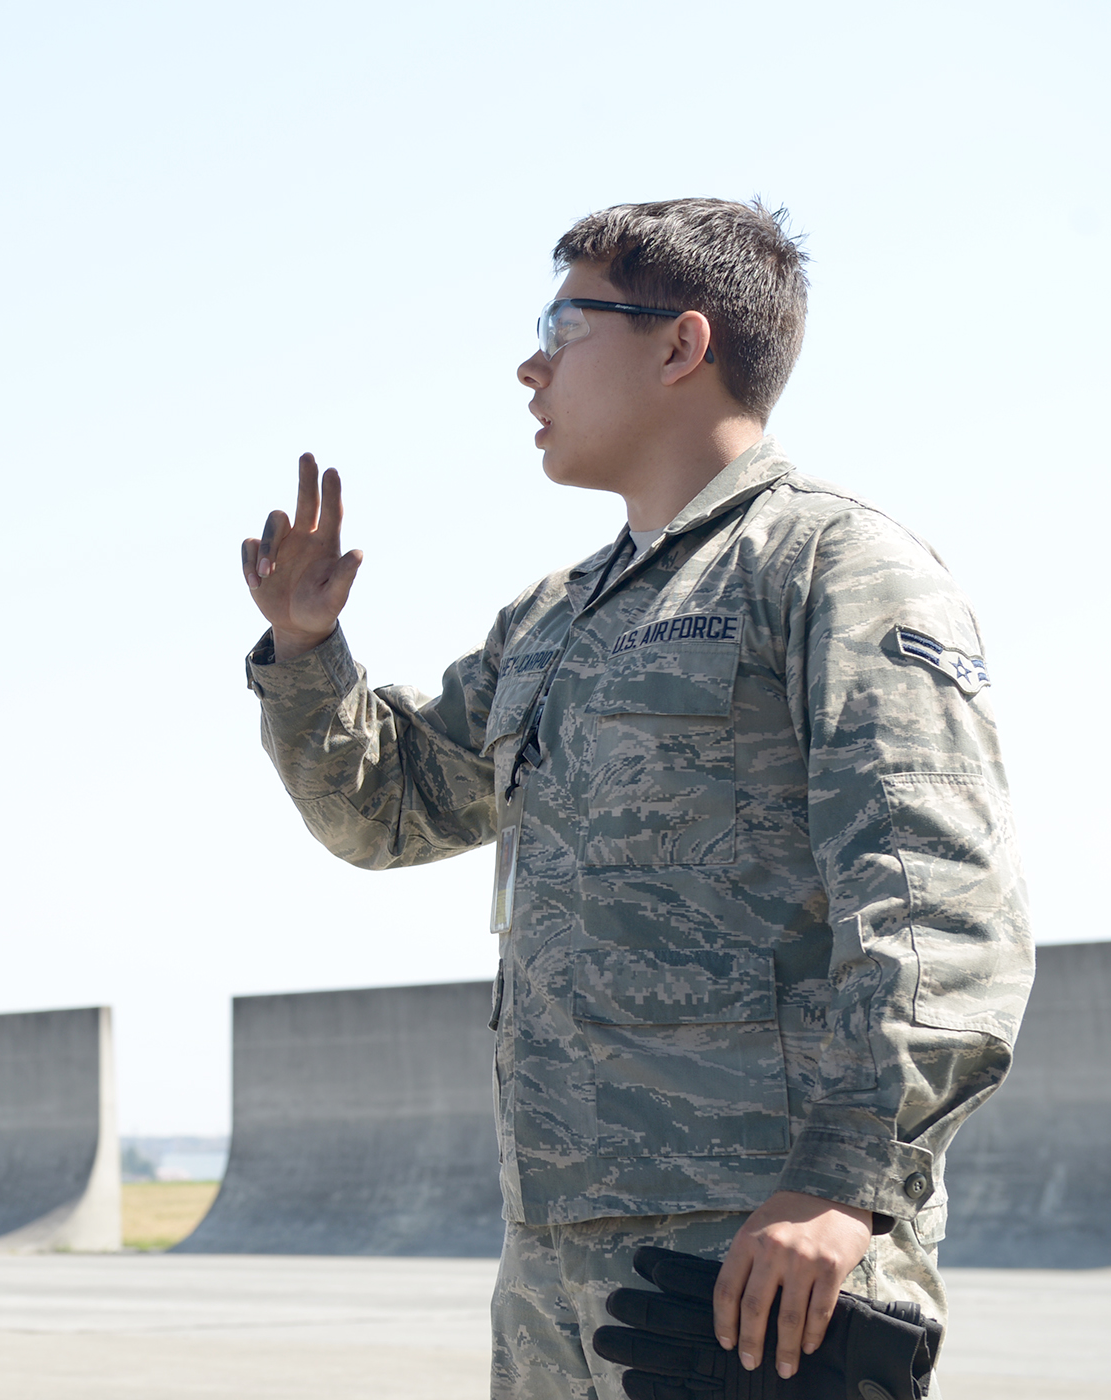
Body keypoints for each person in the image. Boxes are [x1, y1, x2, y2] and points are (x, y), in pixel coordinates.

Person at [236, 199, 1031, 1399]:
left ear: (681, 345)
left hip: (759, 1248)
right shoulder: (554, 621)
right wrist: (307, 652)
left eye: (565, 320)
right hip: (559, 1259)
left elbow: (937, 902)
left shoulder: (833, 567)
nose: (531, 361)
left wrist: (843, 1182)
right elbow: (389, 809)